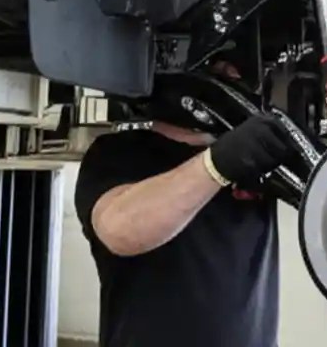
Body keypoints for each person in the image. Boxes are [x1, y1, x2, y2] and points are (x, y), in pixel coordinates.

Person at [75, 107, 295, 347]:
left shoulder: (255, 157)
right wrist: (216, 165)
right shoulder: (120, 151)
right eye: (226, 68)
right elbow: (119, 229)